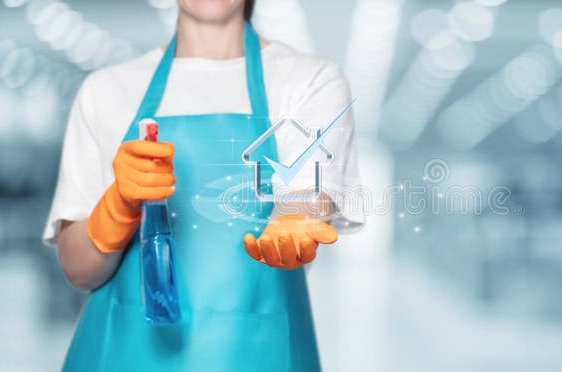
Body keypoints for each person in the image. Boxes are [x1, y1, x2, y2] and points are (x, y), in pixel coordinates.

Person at [42, 0, 364, 370]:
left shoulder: (310, 81)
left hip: (256, 355)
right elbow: (78, 269)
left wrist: (296, 220)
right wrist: (115, 211)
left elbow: (306, 195)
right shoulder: (107, 90)